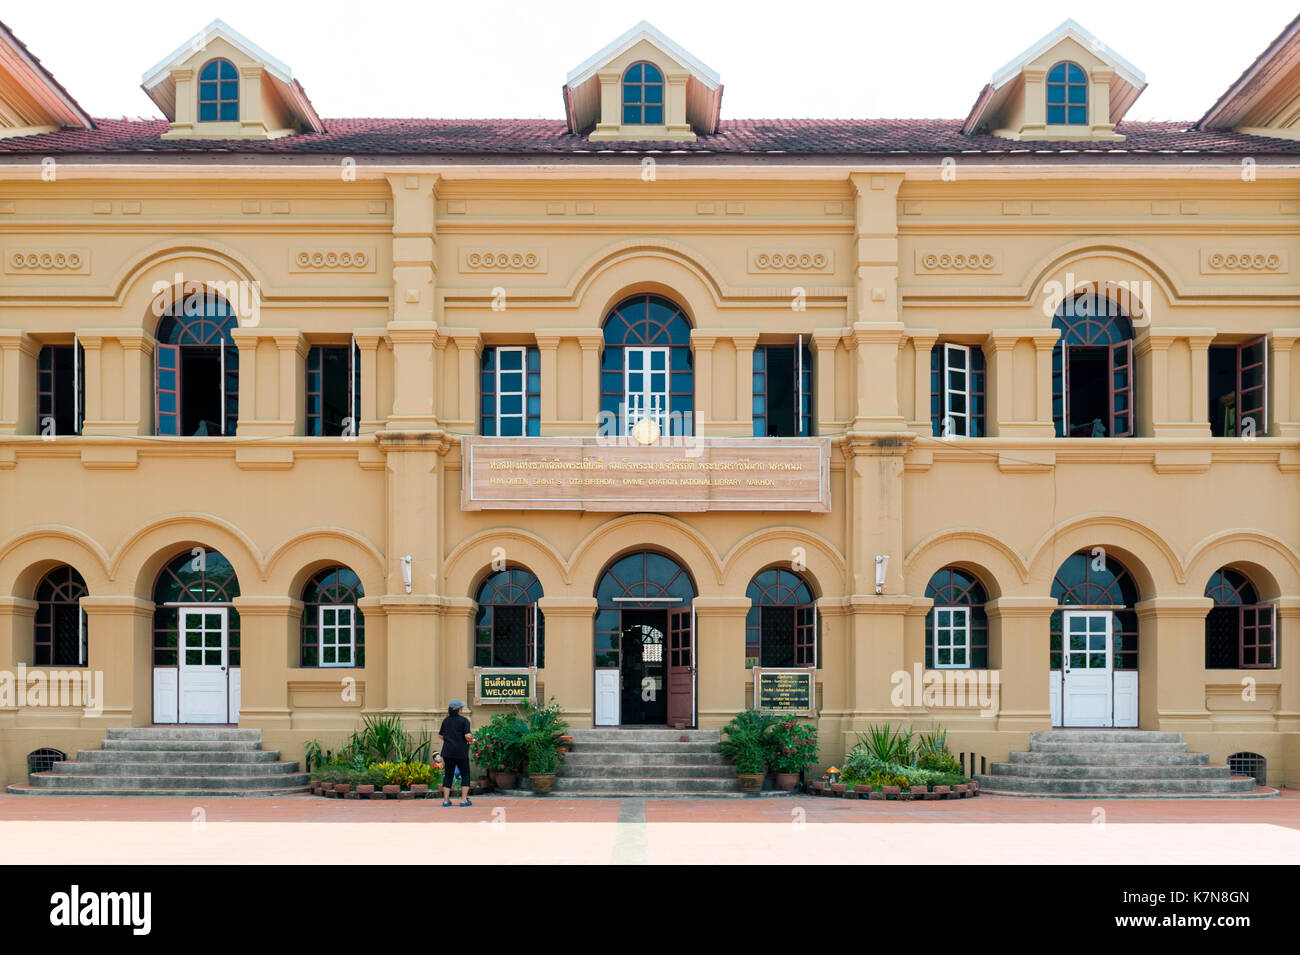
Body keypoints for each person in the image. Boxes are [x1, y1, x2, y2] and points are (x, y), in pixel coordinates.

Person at [438, 699, 473, 807]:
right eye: (461, 708)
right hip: (461, 752)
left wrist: (450, 739)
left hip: (447, 751)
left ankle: (446, 800)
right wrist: (470, 740)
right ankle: (463, 800)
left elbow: (440, 736)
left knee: (448, 775)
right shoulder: (464, 721)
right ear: (459, 710)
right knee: (465, 774)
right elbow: (467, 736)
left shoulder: (446, 720)